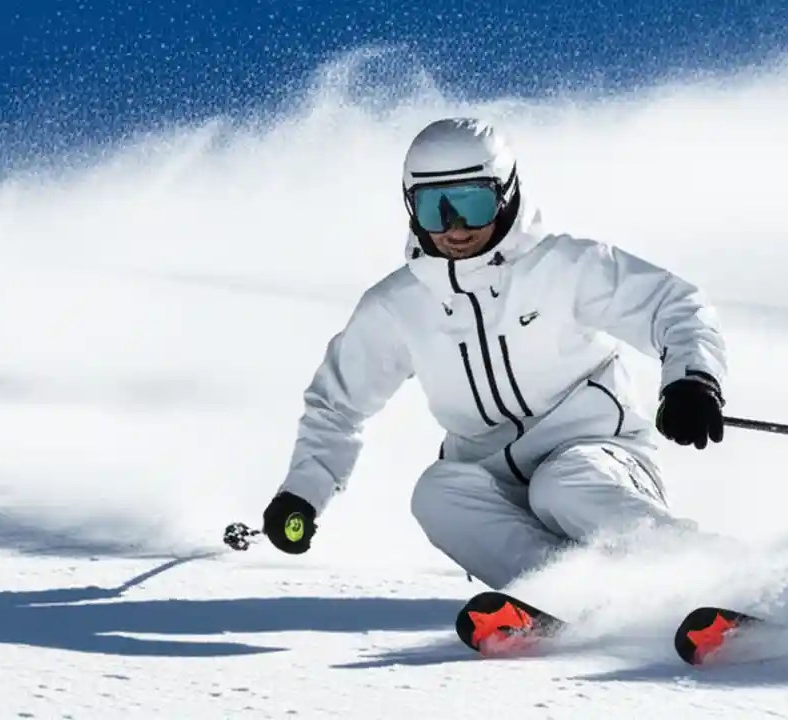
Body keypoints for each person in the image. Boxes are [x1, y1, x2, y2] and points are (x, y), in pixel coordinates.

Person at [261, 117, 727, 594]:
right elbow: (337, 406)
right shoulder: (397, 306)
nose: (455, 227)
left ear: (505, 194)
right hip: (494, 481)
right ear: (410, 206)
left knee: (562, 484)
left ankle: (715, 579)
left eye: (472, 203)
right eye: (435, 208)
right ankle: (563, 597)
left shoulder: (564, 267)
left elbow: (673, 304)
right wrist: (302, 493)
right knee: (436, 496)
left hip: (597, 459)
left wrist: (692, 379)